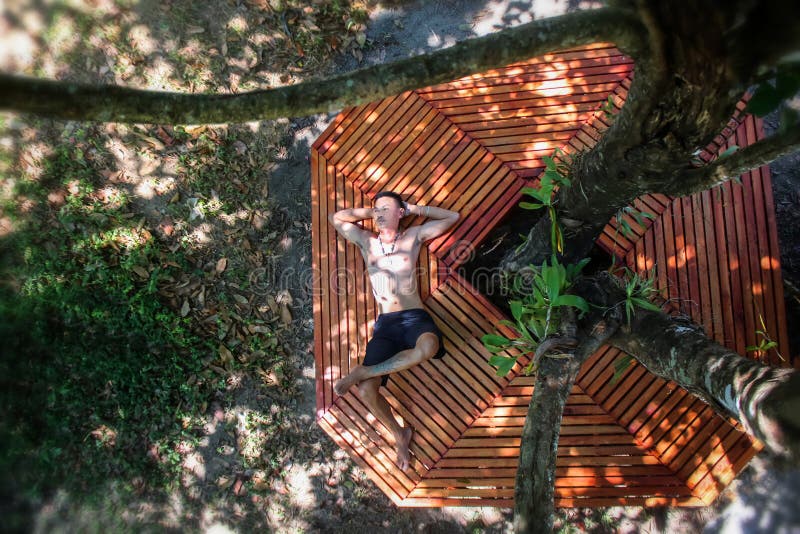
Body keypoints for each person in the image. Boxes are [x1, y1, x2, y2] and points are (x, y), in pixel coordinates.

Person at [328, 191, 459, 470]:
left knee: (428, 348)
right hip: (386, 325)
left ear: (401, 213)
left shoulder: (412, 237)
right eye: (377, 210)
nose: (379, 214)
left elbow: (452, 217)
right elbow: (336, 218)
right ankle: (399, 435)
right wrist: (371, 212)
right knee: (366, 392)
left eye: (386, 209)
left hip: (414, 318)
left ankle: (366, 371)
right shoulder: (367, 242)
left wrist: (413, 208)